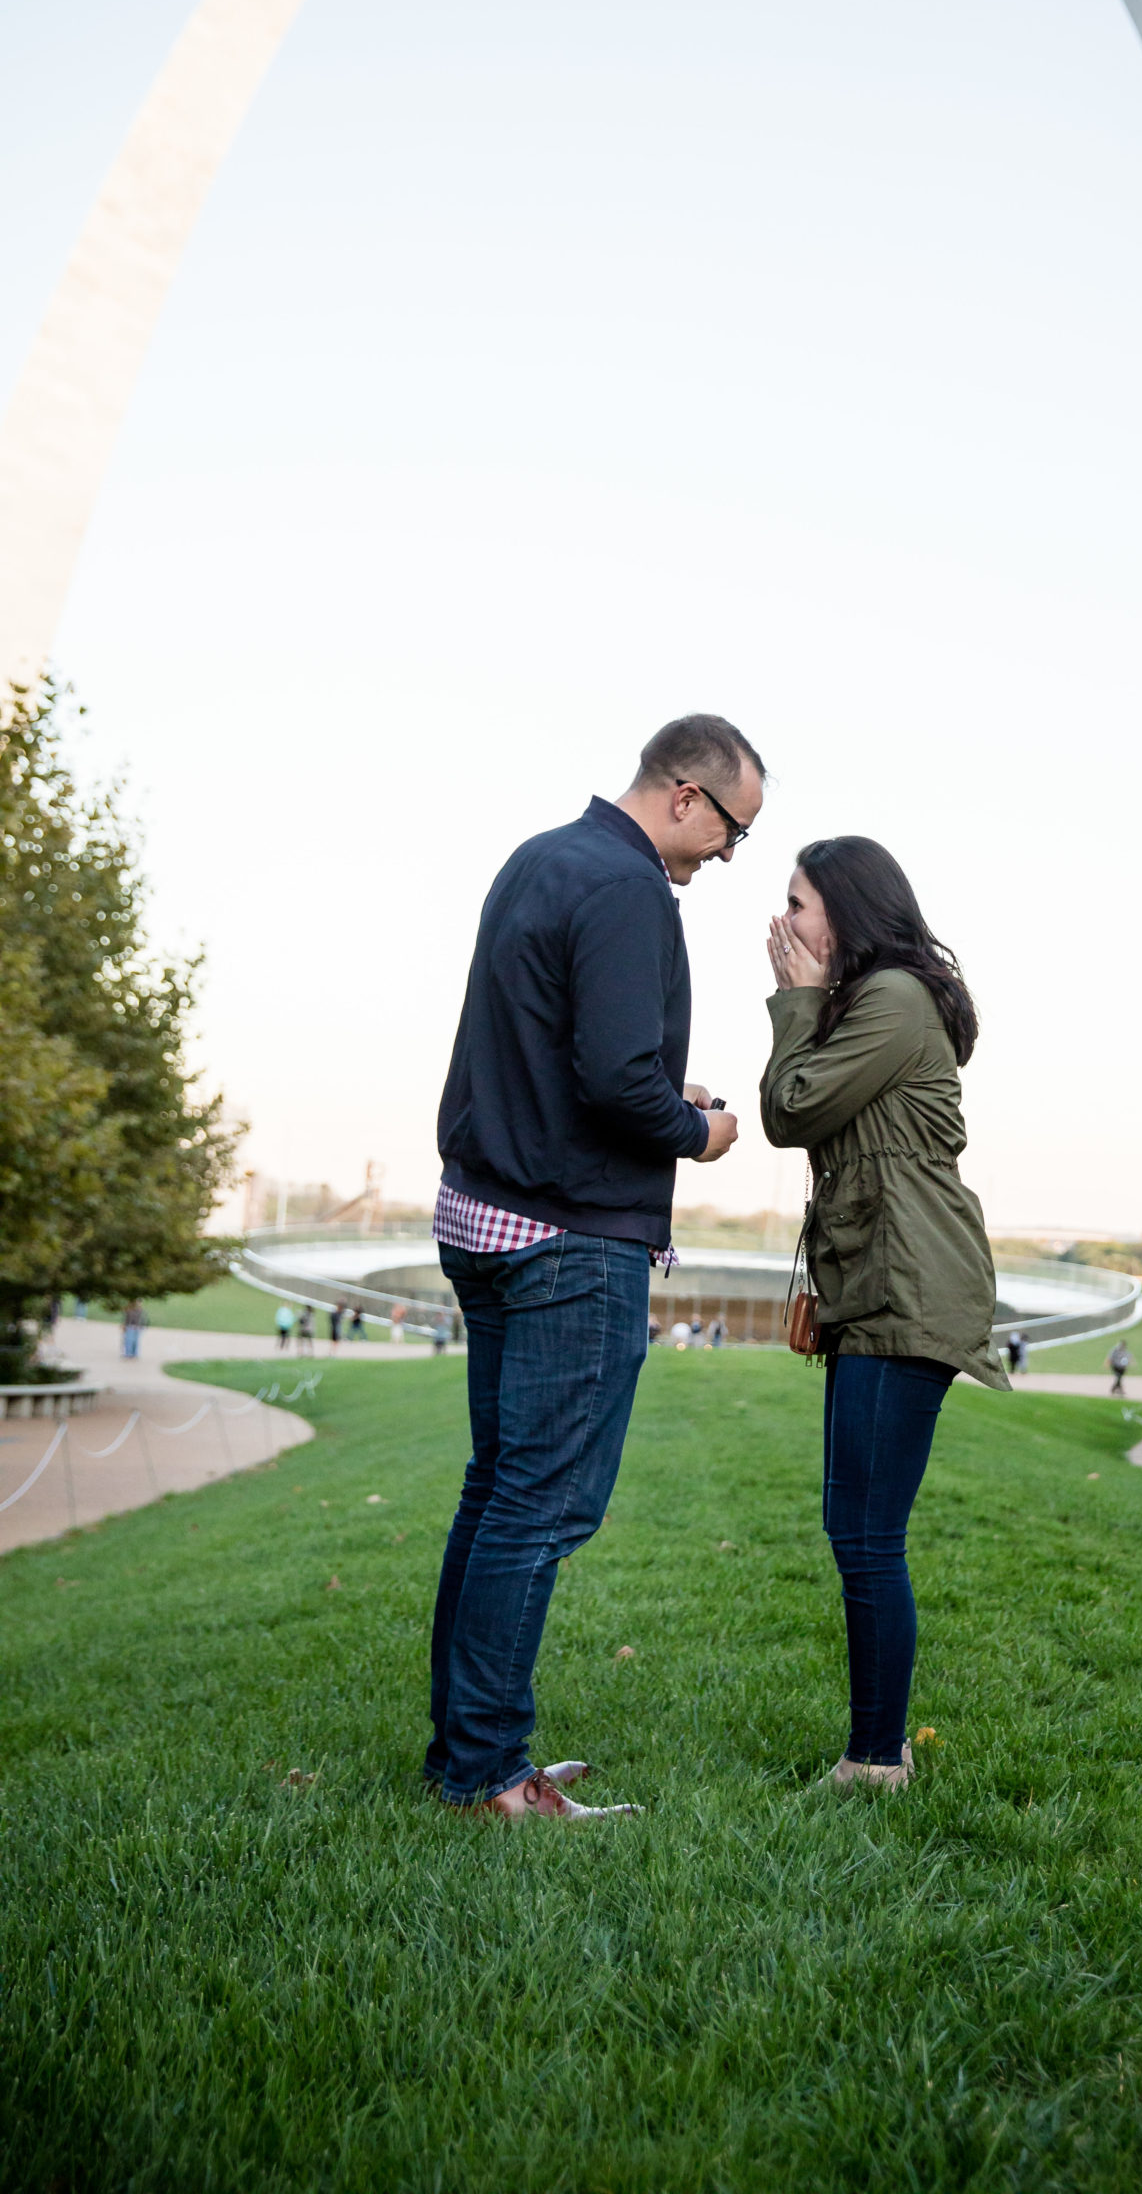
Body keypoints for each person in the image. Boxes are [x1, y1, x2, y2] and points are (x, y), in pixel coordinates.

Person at [427, 714, 765, 1820]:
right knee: (542, 1507)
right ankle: (487, 1773)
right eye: (730, 830)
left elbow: (564, 1060)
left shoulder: (539, 856)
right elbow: (621, 1083)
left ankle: (470, 1753)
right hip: (569, 1236)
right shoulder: (626, 888)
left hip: (487, 1214)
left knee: (497, 1496)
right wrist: (701, 1128)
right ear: (683, 792)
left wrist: (662, 1095)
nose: (725, 856)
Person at [761, 835, 1007, 1796]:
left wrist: (796, 1001)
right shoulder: (874, 1001)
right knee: (853, 1524)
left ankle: (874, 1760)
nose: (784, 923)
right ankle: (879, 1748)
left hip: (910, 1286)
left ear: (848, 912)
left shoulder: (893, 1000)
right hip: (878, 1281)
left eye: (799, 903)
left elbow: (789, 1106)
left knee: (866, 1533)